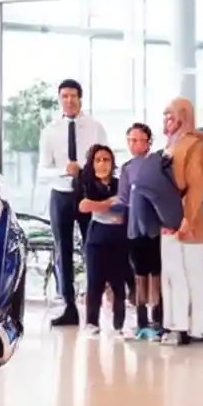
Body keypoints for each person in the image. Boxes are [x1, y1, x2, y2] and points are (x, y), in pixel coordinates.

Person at [38, 79, 108, 327]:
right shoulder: (50, 131)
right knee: (62, 251)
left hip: (88, 195)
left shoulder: (95, 127)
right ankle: (68, 306)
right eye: (64, 96)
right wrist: (63, 171)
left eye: (73, 96)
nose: (69, 100)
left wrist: (85, 170)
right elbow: (42, 171)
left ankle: (94, 306)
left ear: (81, 99)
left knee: (93, 249)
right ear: (60, 99)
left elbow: (105, 162)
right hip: (61, 195)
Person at [159, 97, 203, 346]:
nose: (168, 120)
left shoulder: (193, 145)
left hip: (187, 221)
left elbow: (196, 186)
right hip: (169, 219)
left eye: (173, 116)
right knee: (174, 274)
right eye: (166, 115)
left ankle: (194, 327)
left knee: (192, 274)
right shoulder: (170, 144)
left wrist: (188, 219)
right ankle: (183, 324)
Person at [113, 123, 165, 340]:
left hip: (155, 227)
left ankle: (158, 318)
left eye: (138, 140)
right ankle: (141, 319)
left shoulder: (158, 164)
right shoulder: (126, 168)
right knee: (139, 273)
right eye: (130, 140)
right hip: (134, 228)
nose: (133, 144)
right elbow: (122, 199)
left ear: (148, 142)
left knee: (156, 273)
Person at [75, 144, 130, 338]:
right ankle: (91, 322)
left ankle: (120, 323)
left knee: (118, 283)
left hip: (119, 239)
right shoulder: (87, 184)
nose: (102, 163)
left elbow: (124, 207)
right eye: (98, 160)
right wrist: (109, 203)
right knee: (95, 283)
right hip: (97, 240)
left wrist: (102, 206)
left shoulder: (119, 183)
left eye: (106, 159)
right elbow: (84, 205)